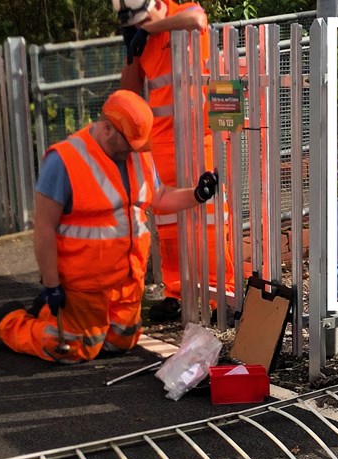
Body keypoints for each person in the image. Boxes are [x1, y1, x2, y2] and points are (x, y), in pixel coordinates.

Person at [0, 90, 219, 363]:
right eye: (128, 143)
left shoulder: (138, 154)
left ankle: (52, 315)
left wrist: (197, 195)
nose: (132, 151)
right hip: (85, 285)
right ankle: (8, 322)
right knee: (72, 349)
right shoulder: (64, 161)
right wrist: (52, 285)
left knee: (122, 340)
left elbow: (158, 196)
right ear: (107, 127)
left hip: (127, 281)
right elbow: (44, 227)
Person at [116, 0, 236, 322]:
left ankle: (219, 292)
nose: (139, 28)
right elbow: (129, 93)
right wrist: (131, 55)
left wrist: (148, 29)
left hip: (204, 134)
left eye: (140, 21)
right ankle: (176, 293)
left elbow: (196, 20)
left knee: (211, 216)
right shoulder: (142, 42)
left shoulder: (184, 11)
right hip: (163, 140)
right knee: (168, 223)